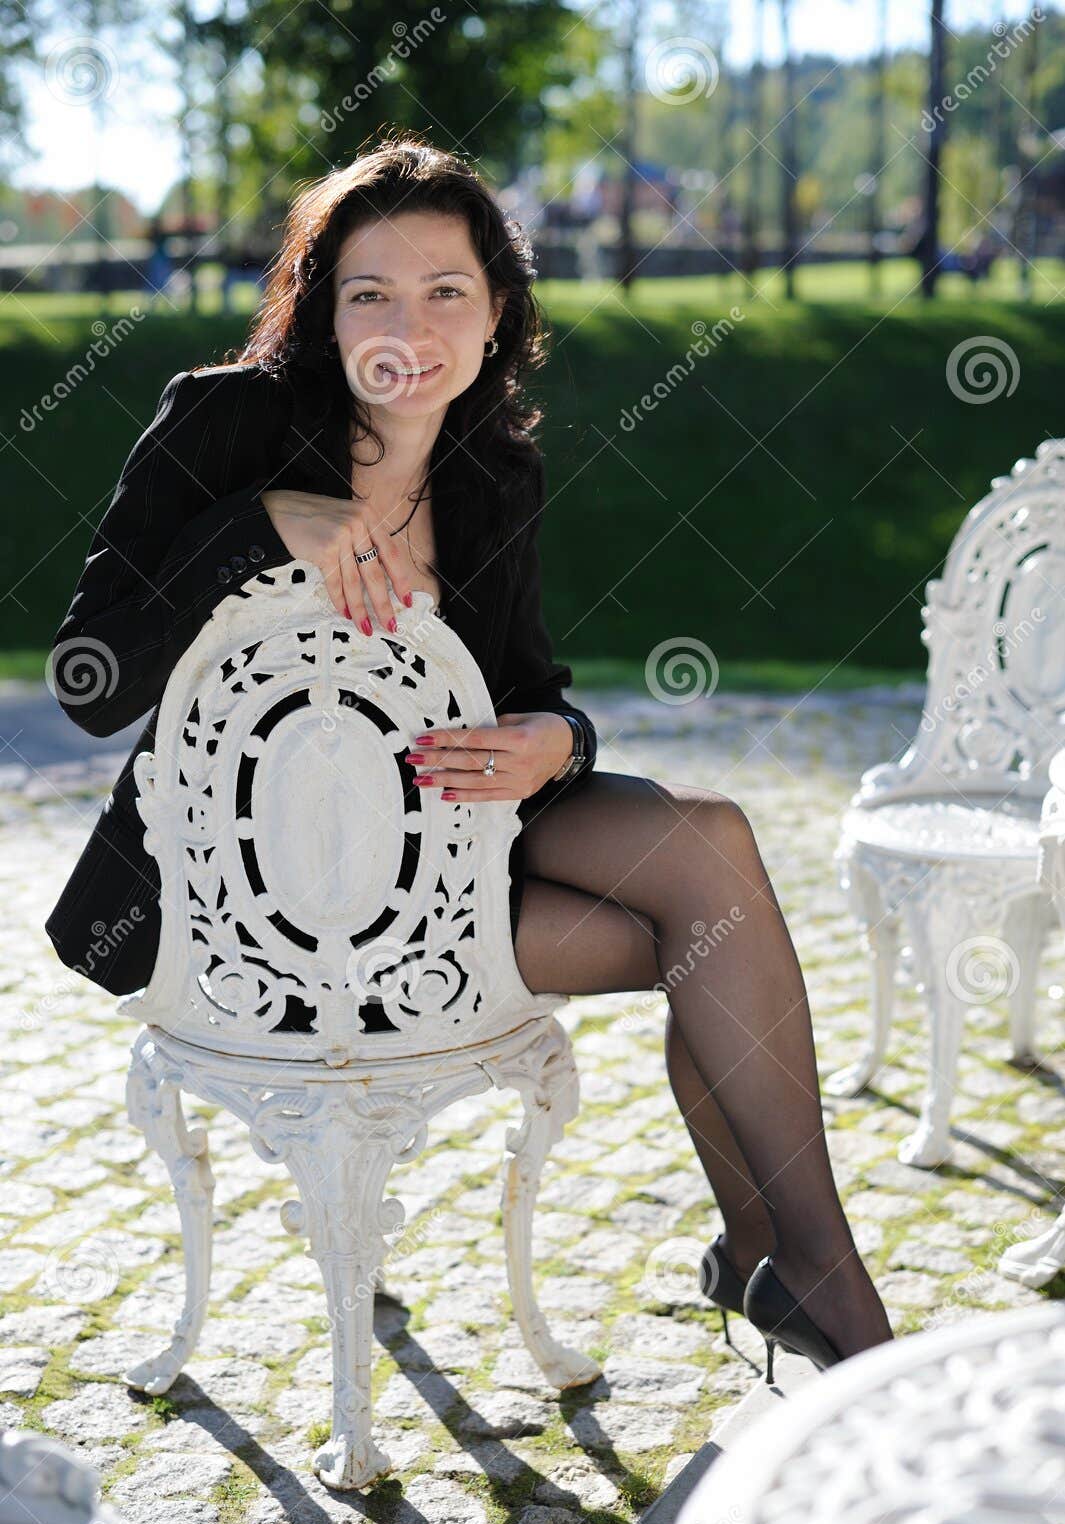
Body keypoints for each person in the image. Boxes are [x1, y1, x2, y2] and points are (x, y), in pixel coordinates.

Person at [44, 130, 892, 1375]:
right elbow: (90, 682)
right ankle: (787, 1267)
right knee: (694, 928)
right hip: (246, 920)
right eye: (371, 291)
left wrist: (557, 740)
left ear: (497, 313)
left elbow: (533, 693)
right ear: (323, 312)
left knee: (708, 852)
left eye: (449, 290)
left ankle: (796, 1259)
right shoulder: (224, 424)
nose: (412, 321)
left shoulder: (495, 472)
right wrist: (264, 519)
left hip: (443, 873)